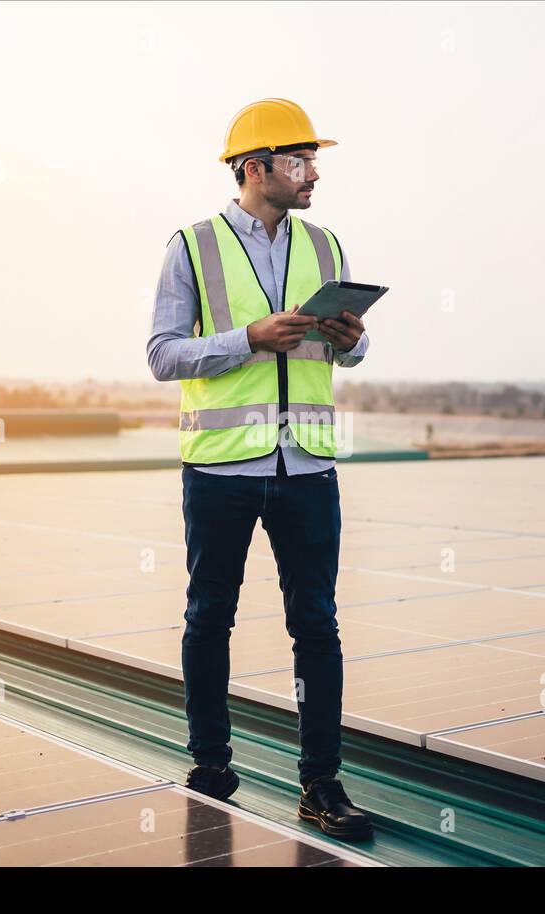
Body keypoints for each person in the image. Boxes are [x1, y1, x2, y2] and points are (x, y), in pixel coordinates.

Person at [146, 98, 373, 841]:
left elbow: (350, 354)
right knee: (210, 617)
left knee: (318, 625)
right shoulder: (192, 245)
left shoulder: (327, 245)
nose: (313, 175)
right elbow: (162, 354)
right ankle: (211, 767)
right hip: (221, 470)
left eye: (314, 162)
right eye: (299, 161)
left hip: (308, 466)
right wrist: (247, 339)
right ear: (255, 168)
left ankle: (321, 785)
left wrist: (350, 337)